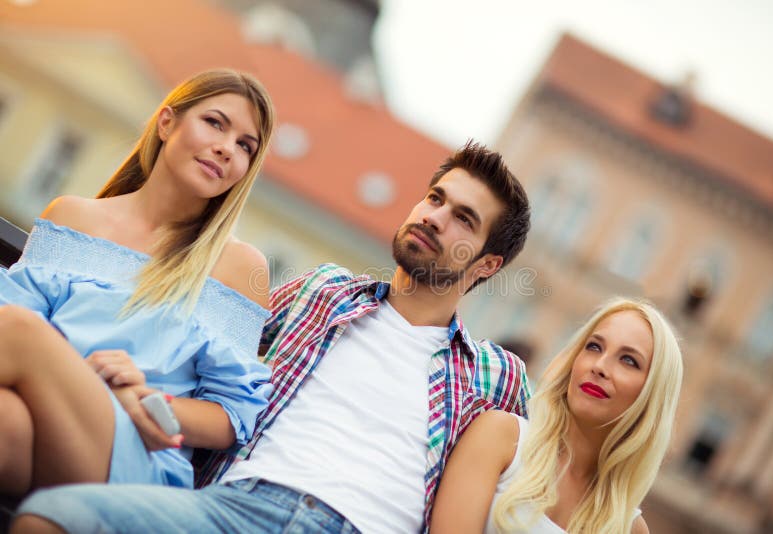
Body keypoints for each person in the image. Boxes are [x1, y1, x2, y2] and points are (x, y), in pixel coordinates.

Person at [12, 141, 532, 533]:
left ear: (486, 264)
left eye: (462, 218)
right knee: (51, 516)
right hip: (228, 508)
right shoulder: (320, 291)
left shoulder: (497, 376)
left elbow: (554, 485)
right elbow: (209, 359)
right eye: (435, 198)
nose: (435, 218)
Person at [0, 69, 275, 496]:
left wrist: (150, 401)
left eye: (245, 146)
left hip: (131, 453)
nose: (226, 149)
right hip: (36, 418)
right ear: (167, 123)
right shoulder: (72, 217)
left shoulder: (238, 266)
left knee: (19, 330)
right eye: (215, 123)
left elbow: (231, 415)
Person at [430, 298, 684, 534]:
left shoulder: (632, 528)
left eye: (629, 360)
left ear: (652, 394)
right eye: (594, 347)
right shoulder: (502, 437)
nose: (600, 366)